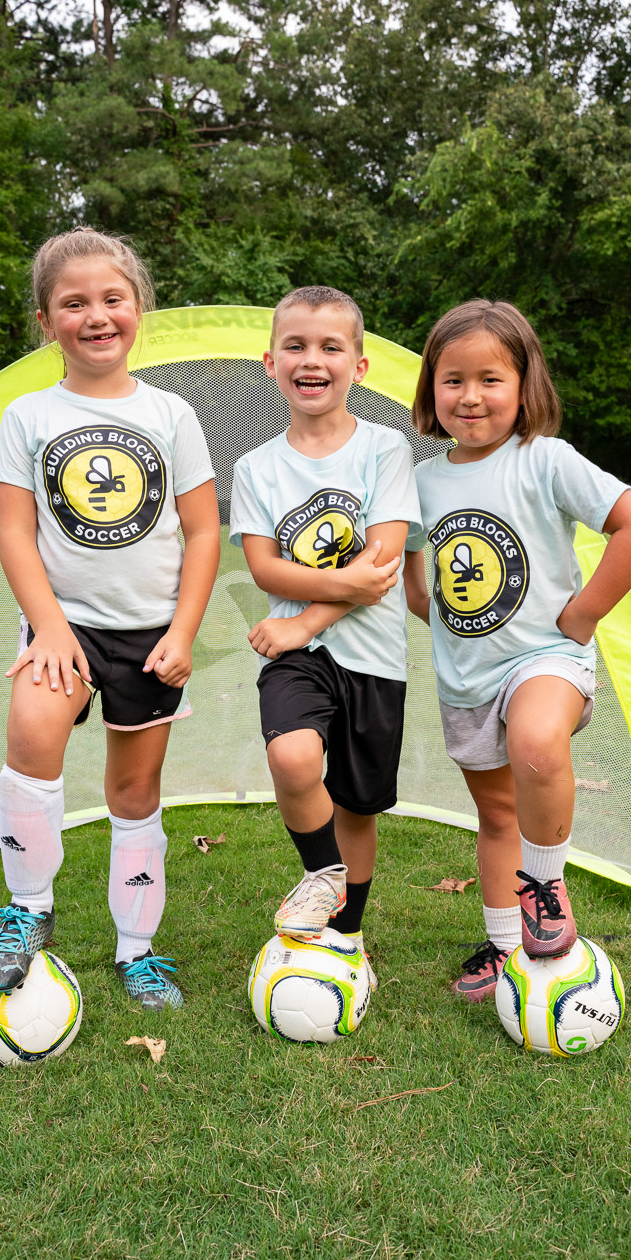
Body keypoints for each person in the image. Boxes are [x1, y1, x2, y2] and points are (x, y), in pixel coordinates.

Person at [0, 228, 220, 1009]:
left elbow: (205, 530)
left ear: (137, 307)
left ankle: (136, 951)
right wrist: (46, 626)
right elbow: (15, 532)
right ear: (46, 323)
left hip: (153, 632)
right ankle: (28, 912)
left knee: (134, 790)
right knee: (31, 740)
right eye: (73, 303)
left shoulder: (172, 413)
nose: (96, 315)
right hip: (64, 625)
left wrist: (182, 633)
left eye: (111, 298)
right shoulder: (27, 414)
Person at [403, 300, 631, 1001]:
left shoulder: (544, 460)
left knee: (539, 744)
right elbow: (408, 558)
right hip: (465, 678)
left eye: (490, 378)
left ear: (524, 386)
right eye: (451, 380)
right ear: (430, 390)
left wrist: (580, 615)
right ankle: (502, 945)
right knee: (495, 817)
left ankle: (545, 890)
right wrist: (418, 597)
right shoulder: (421, 482)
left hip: (546, 657)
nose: (470, 396)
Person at [229, 286, 420, 983]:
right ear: (270, 364)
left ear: (359, 367)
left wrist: (304, 617)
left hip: (370, 659)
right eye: (296, 346)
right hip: (296, 660)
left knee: (356, 805)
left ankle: (348, 932)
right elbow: (261, 565)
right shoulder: (255, 468)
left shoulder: (384, 449)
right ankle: (319, 876)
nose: (312, 360)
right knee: (291, 758)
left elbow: (383, 564)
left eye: (330, 347)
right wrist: (337, 595)